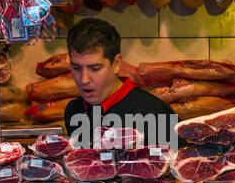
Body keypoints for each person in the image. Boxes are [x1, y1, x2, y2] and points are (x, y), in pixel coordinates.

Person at [62, 17, 176, 147]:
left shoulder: (154, 114)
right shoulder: (74, 110)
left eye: (95, 69)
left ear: (116, 64)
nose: (84, 79)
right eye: (76, 68)